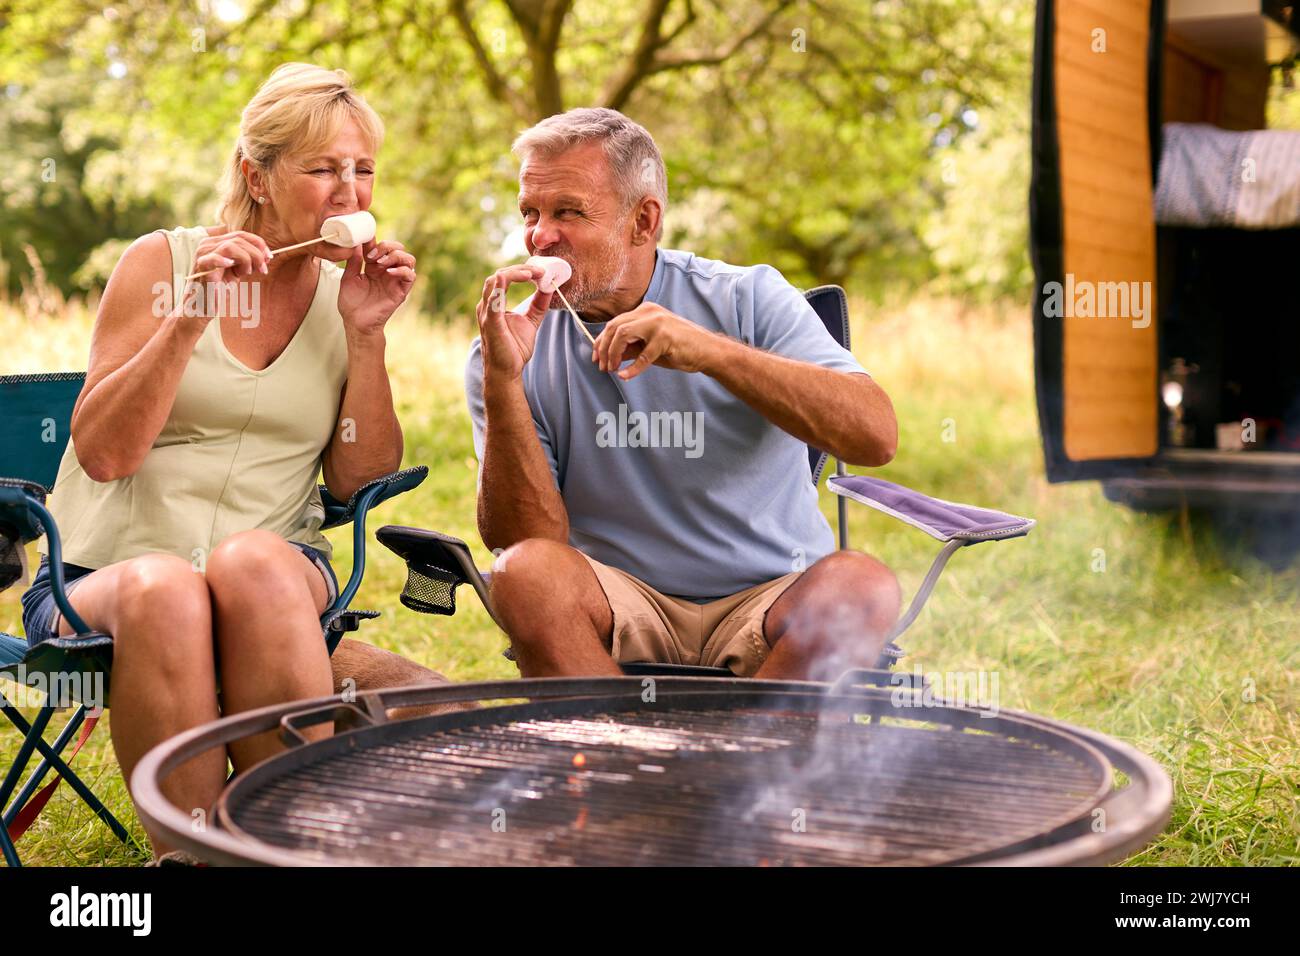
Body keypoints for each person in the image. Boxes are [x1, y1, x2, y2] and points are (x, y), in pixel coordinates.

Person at [20, 63, 433, 862]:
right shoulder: (162, 264)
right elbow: (103, 455)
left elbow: (357, 480)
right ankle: (201, 855)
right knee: (165, 583)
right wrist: (189, 320)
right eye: (322, 169)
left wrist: (369, 333)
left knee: (255, 562)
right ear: (256, 174)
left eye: (363, 169)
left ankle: (285, 842)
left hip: (272, 577)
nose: (349, 191)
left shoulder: (344, 296)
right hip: (103, 580)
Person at [466, 107, 901, 682]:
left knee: (863, 586)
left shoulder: (748, 299)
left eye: (568, 211)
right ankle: (623, 754)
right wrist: (504, 382)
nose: (539, 236)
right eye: (530, 212)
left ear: (643, 222)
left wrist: (712, 353)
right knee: (521, 574)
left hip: (770, 598)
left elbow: (874, 437)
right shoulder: (507, 349)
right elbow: (525, 542)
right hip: (620, 602)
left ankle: (749, 760)